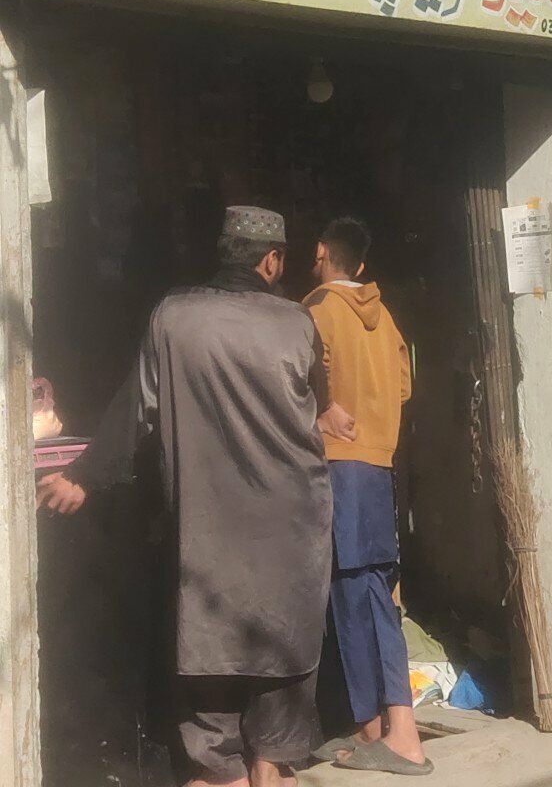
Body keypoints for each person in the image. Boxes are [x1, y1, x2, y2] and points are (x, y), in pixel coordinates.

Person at [36, 207, 355, 787]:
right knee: (276, 731)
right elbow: (322, 401)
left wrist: (81, 475)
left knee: (211, 726)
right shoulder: (297, 322)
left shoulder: (174, 316)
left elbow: (136, 410)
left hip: (208, 550)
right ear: (271, 260)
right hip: (294, 541)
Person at [304, 217, 432, 777]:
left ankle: (394, 732)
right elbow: (404, 387)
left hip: (339, 466)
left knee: (356, 597)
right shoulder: (388, 319)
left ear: (322, 253)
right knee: (377, 591)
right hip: (380, 466)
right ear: (360, 264)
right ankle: (377, 730)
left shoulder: (317, 311)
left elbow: (300, 383)